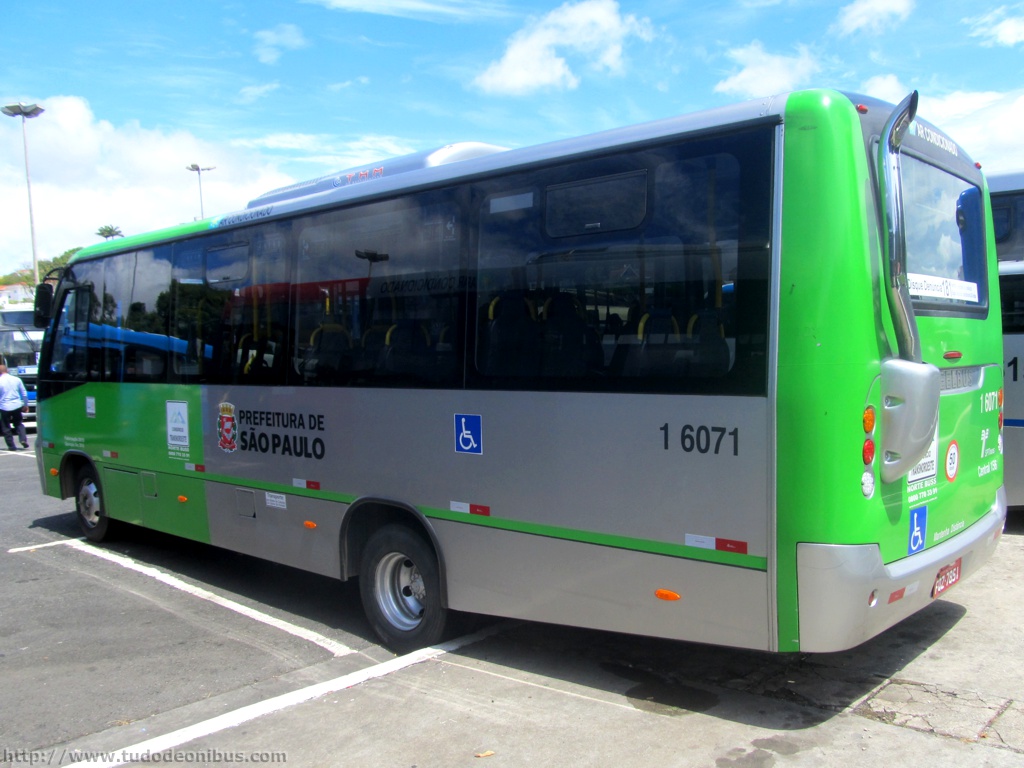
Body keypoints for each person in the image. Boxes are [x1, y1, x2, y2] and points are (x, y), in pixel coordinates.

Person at [0, 363, 30, 451]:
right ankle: (23, 439)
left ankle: (11, 446)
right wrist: (25, 405)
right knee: (19, 423)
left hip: (4, 406)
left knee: (6, 427)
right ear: (7, 370)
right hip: (17, 405)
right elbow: (24, 393)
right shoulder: (17, 379)